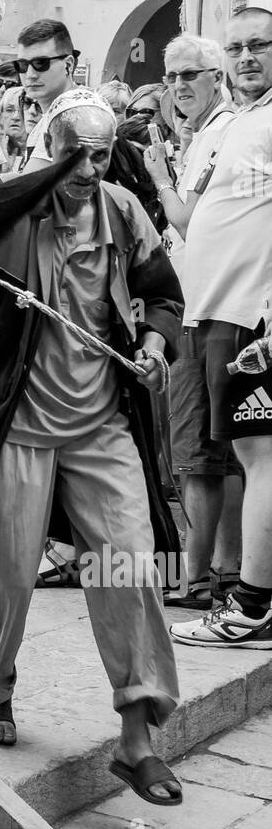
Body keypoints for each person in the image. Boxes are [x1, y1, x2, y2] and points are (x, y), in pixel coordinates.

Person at [0, 89, 184, 803]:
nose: (89, 168)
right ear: (51, 149)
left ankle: (137, 735)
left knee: (127, 567)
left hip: (102, 427)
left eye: (100, 155)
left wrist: (156, 345)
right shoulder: (9, 209)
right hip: (18, 430)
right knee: (7, 570)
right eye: (75, 154)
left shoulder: (124, 212)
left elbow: (164, 294)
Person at [164, 8, 272, 649]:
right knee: (246, 458)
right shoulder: (246, 122)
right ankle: (249, 594)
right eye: (237, 47)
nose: (247, 56)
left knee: (260, 459)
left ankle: (253, 605)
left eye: (259, 44)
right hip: (217, 312)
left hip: (249, 315)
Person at [143, 35, 241, 611]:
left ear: (216, 77)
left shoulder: (225, 131)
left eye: (191, 75)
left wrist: (157, 173)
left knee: (198, 453)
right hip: (211, 304)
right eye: (172, 77)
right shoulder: (208, 133)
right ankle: (223, 573)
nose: (180, 87)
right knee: (220, 451)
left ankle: (201, 577)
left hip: (205, 308)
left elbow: (187, 220)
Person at [15, 18, 77, 163]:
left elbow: (32, 182)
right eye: (22, 65)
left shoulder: (70, 114)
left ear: (68, 65)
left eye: (41, 63)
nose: (30, 75)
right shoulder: (54, 113)